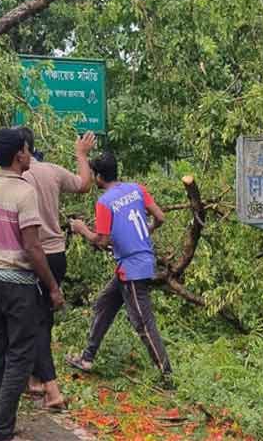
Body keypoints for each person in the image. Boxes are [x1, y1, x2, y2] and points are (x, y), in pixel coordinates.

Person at [0, 127, 64, 441]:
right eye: (27, 150)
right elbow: (33, 247)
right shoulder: (25, 193)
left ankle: (3, 423)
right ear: (18, 155)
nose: (30, 155)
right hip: (18, 283)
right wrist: (52, 286)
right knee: (21, 355)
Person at [67, 152, 172, 382]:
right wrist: (144, 233)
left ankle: (167, 375)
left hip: (132, 270)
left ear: (98, 177)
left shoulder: (104, 202)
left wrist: (82, 229)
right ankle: (87, 357)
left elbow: (102, 241)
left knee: (143, 322)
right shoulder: (137, 189)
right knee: (104, 304)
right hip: (140, 261)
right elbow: (160, 217)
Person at [17, 127, 95, 410]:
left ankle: (41, 382)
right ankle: (37, 377)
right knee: (44, 319)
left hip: (31, 256)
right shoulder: (52, 171)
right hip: (56, 254)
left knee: (32, 320)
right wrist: (80, 155)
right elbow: (85, 184)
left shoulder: (17, 176)